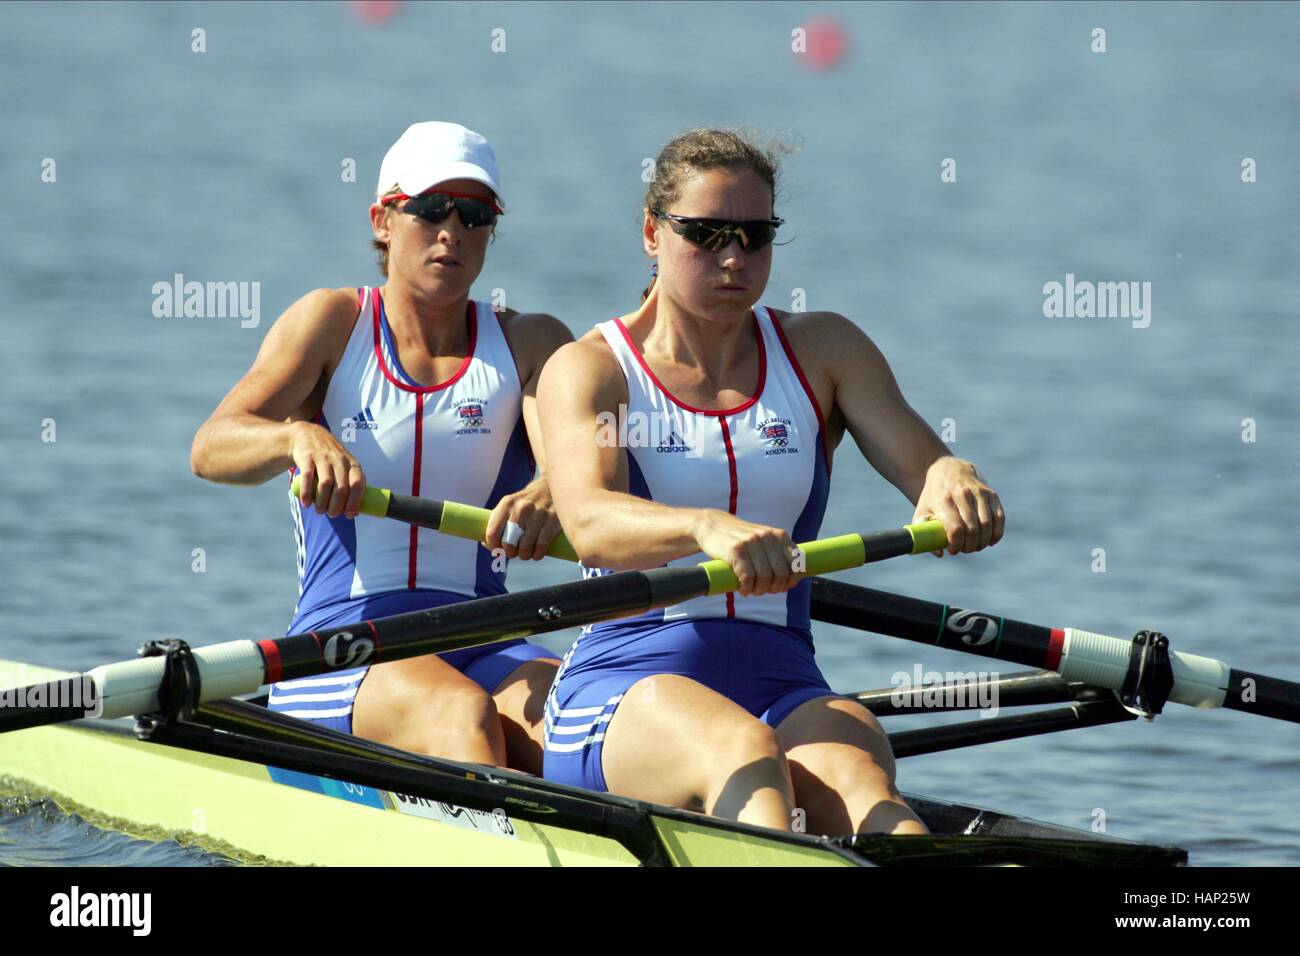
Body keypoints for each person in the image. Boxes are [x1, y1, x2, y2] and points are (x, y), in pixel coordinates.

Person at [536, 128, 1004, 833]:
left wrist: (950, 474)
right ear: (650, 234)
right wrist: (703, 526)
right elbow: (591, 525)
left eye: (755, 236)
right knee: (744, 755)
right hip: (622, 689)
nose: (733, 258)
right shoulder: (593, 369)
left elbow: (924, 463)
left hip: (784, 682)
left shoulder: (824, 351)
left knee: (867, 780)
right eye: (707, 233)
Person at [191, 121, 571, 774]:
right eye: (428, 208)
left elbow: (581, 468)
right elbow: (211, 446)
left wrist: (548, 492)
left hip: (488, 639)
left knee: (575, 718)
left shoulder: (533, 343)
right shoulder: (332, 323)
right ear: (383, 220)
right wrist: (295, 436)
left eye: (474, 214)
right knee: (462, 716)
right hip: (339, 647)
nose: (451, 230)